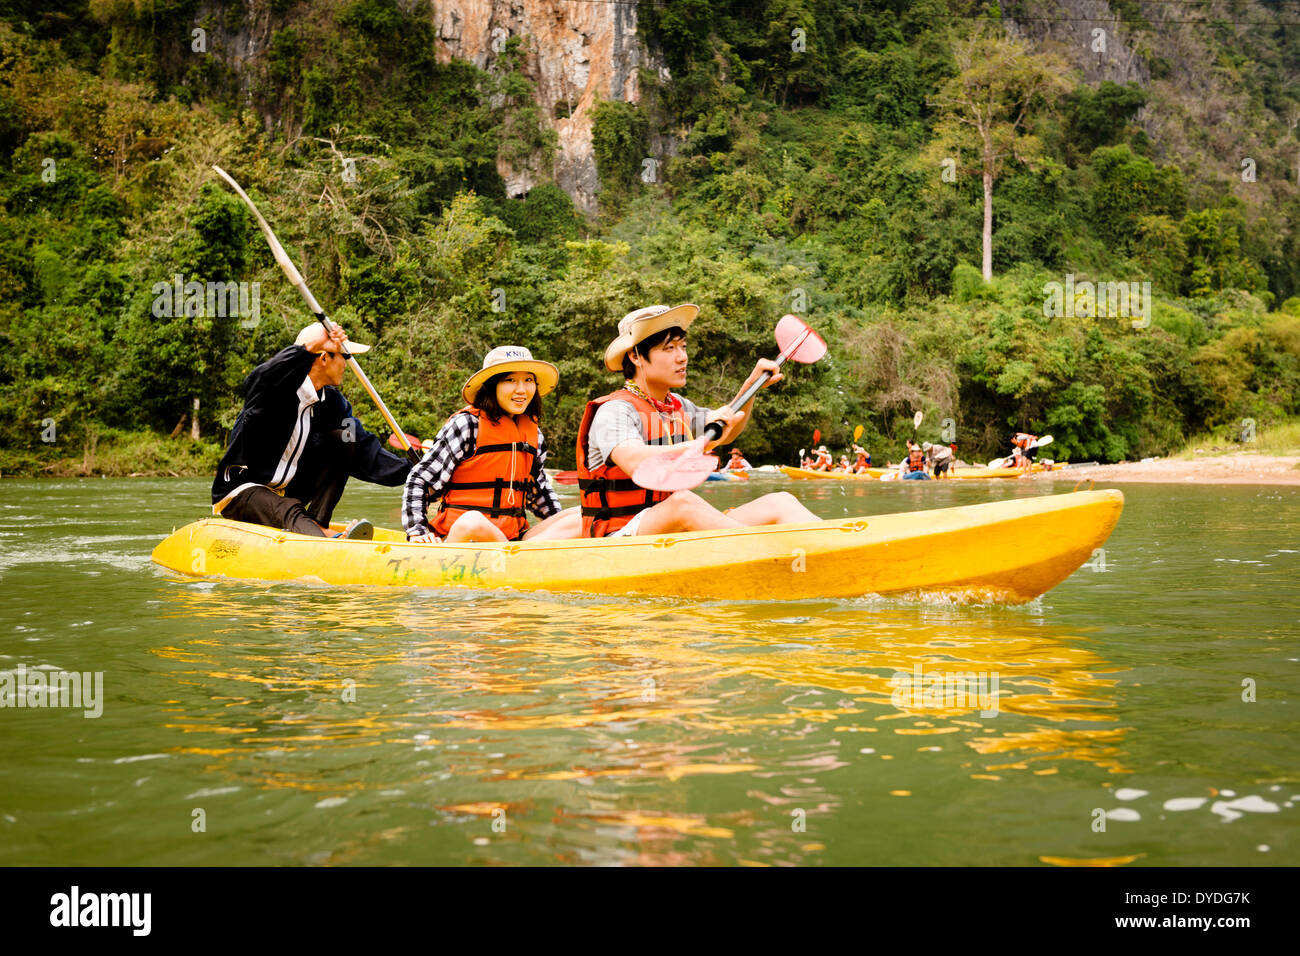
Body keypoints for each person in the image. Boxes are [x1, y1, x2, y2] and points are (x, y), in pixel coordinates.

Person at [576, 304, 819, 537]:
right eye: (669, 349)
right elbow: (633, 460)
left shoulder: (678, 406)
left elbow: (728, 428)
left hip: (673, 530)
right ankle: (761, 552)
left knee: (780, 503)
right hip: (620, 536)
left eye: (683, 347)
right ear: (636, 356)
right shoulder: (615, 410)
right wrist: (698, 444)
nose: (682, 357)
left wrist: (752, 385)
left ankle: (839, 547)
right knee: (684, 502)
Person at [211, 323, 411, 538]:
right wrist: (307, 348)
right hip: (243, 490)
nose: (347, 364)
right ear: (324, 357)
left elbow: (364, 451)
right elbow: (256, 380)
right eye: (344, 356)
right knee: (288, 511)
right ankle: (324, 536)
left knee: (347, 439)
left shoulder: (334, 403)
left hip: (288, 491)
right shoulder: (273, 390)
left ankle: (316, 522)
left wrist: (418, 473)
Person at [402, 346, 580, 543]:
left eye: (528, 380)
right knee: (472, 521)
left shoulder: (534, 435)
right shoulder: (467, 425)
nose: (521, 390)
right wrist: (417, 531)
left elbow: (540, 493)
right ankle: (516, 557)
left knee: (584, 515)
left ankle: (521, 556)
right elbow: (420, 480)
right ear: (491, 385)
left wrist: (561, 532)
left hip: (513, 538)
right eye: (510, 380)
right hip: (463, 535)